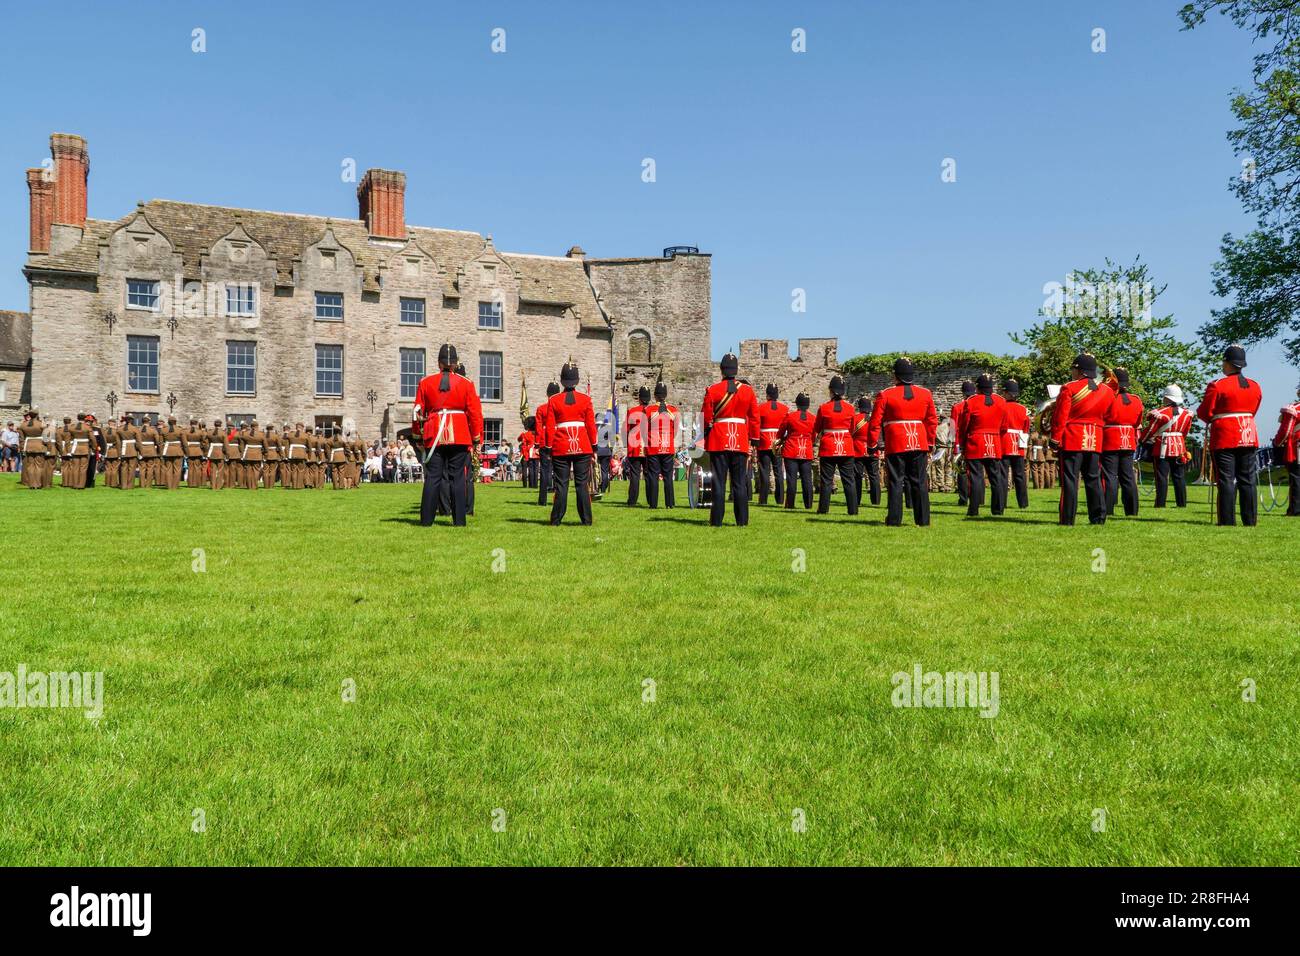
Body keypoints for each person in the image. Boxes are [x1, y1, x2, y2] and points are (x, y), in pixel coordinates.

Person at [414, 344, 483, 526]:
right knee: (457, 477)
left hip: (434, 432)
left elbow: (417, 411)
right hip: (459, 433)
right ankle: (459, 520)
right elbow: (475, 413)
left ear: (439, 363)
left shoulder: (425, 382)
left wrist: (418, 436)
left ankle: (426, 520)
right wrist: (476, 438)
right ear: (455, 364)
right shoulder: (466, 383)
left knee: (433, 477)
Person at [1197, 344, 1263, 527]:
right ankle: (1250, 520)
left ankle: (1227, 521)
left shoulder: (1217, 385)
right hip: (1248, 434)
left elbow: (1204, 412)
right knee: (1248, 479)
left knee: (1226, 479)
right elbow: (1253, 410)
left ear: (1227, 363)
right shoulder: (1255, 386)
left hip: (1225, 436)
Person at [868, 357, 938, 526]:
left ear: (895, 376)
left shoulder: (885, 394)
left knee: (896, 481)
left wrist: (872, 443)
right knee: (920, 481)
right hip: (919, 441)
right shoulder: (925, 393)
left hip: (896, 442)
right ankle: (923, 520)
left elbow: (875, 422)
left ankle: (894, 519)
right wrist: (930, 442)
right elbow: (932, 420)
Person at [1051, 353, 1115, 526]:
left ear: (1079, 370)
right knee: (1093, 479)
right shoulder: (1107, 391)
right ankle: (1098, 517)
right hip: (1095, 439)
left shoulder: (1069, 388)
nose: (1072, 372)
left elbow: (1061, 417)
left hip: (1073, 438)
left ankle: (1067, 519)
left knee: (1070, 481)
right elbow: (1109, 416)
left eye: (1073, 369)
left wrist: (1055, 439)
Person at [701, 352, 760, 527]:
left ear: (721, 370)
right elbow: (754, 417)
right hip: (740, 439)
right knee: (739, 483)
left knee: (718, 483)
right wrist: (754, 439)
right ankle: (742, 521)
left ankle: (716, 521)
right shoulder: (748, 391)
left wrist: (706, 432)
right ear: (736, 370)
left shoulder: (713, 390)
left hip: (718, 439)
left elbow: (706, 416)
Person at [546, 362, 598, 525]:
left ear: (562, 380)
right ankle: (586, 520)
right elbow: (591, 426)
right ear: (577, 380)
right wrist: (594, 446)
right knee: (582, 484)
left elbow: (550, 427)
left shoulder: (554, 400)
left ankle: (556, 519)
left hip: (561, 445)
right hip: (583, 445)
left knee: (561, 485)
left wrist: (548, 447)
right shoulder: (586, 399)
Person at [956, 373, 1007, 516]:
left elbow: (964, 425)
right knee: (996, 478)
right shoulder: (1001, 401)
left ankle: (974, 509)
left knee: (976, 477)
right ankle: (998, 509)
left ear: (977, 388)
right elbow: (1004, 426)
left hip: (976, 442)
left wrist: (962, 443)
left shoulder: (971, 401)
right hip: (994, 442)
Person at [1139, 384, 1193, 509]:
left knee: (1162, 477)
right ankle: (1181, 504)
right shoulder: (1187, 414)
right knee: (1179, 476)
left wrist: (1142, 440)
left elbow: (1150, 430)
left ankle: (1160, 503)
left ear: (1167, 398)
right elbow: (1185, 431)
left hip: (1162, 447)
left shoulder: (1160, 413)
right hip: (1179, 447)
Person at [1099, 367, 1143, 518]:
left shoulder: (1108, 398)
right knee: (1128, 476)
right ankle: (1132, 510)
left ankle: (1108, 509)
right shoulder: (1136, 399)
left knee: (1110, 476)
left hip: (1110, 438)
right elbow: (1137, 422)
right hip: (1128, 439)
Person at [814, 376, 859, 515]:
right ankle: (853, 510)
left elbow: (817, 427)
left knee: (826, 480)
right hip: (846, 445)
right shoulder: (850, 408)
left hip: (828, 446)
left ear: (831, 391)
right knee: (849, 480)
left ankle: (823, 509)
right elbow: (852, 428)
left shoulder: (824, 408)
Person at [777, 393, 816, 509]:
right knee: (807, 479)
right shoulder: (813, 418)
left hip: (791, 450)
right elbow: (814, 436)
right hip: (806, 450)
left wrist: (783, 438)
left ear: (797, 404)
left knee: (791, 479)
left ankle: (790, 504)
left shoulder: (790, 416)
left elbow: (780, 432)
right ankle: (808, 504)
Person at [644, 380, 678, 509]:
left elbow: (644, 430)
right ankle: (670, 503)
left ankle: (653, 504)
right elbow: (675, 430)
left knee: (653, 476)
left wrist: (646, 444)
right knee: (668, 476)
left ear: (655, 395)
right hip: (667, 446)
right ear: (666, 395)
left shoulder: (649, 410)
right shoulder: (673, 410)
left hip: (653, 446)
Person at [1000, 380, 1031, 509]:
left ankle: (1001, 503)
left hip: (1005, 442)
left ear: (1007, 393)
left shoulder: (1002, 407)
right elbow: (1026, 427)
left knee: (1003, 475)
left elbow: (1001, 426)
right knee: (1020, 475)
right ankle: (1023, 503)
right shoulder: (1023, 409)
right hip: (1019, 443)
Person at [756, 384, 788, 505]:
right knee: (778, 471)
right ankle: (780, 499)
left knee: (764, 471)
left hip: (764, 442)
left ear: (767, 395)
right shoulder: (784, 409)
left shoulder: (761, 408)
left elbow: (757, 425)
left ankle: (763, 499)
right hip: (778, 442)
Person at [1271, 383, 1300, 516]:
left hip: (1297, 449)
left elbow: (1285, 432)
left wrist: (1276, 443)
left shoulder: (1294, 409)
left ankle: (1295, 510)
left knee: (1296, 478)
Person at [624, 386, 650, 506]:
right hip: (649, 446)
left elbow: (627, 430)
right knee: (649, 474)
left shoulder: (632, 411)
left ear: (639, 398)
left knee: (635, 475)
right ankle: (651, 500)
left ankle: (632, 500)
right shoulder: (653, 411)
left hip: (635, 447)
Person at [951, 380, 976, 506]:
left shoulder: (957, 407)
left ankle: (963, 498)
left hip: (960, 442)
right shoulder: (977, 405)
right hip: (974, 441)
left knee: (961, 470)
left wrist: (954, 444)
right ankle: (978, 497)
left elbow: (953, 428)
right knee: (976, 470)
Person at [851, 396, 876, 506]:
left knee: (857, 476)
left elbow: (850, 433)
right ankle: (876, 500)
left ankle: (857, 500)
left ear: (860, 407)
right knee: (874, 476)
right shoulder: (874, 419)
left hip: (858, 449)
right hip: (873, 449)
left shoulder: (856, 418)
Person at [17, 410, 52, 489]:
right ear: (37, 415)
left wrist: (22, 448)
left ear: (29, 415)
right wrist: (49, 448)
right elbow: (46, 438)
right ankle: (37, 484)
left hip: (28, 446)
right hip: (39, 446)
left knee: (30, 466)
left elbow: (21, 439)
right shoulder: (42, 424)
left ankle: (31, 484)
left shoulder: (23, 425)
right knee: (39, 466)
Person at [159, 415, 185, 490]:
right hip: (178, 451)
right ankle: (175, 486)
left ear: (168, 422)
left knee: (168, 469)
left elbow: (160, 443)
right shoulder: (180, 430)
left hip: (167, 451)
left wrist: (161, 453)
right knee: (177, 469)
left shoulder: (163, 430)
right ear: (175, 422)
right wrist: (186, 452)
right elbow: (184, 443)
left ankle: (169, 486)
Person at [595, 410, 615, 495]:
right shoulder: (608, 428)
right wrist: (611, 450)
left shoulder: (593, 427)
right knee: (604, 471)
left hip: (596, 451)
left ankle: (596, 487)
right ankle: (603, 488)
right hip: (606, 451)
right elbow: (612, 441)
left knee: (595, 470)